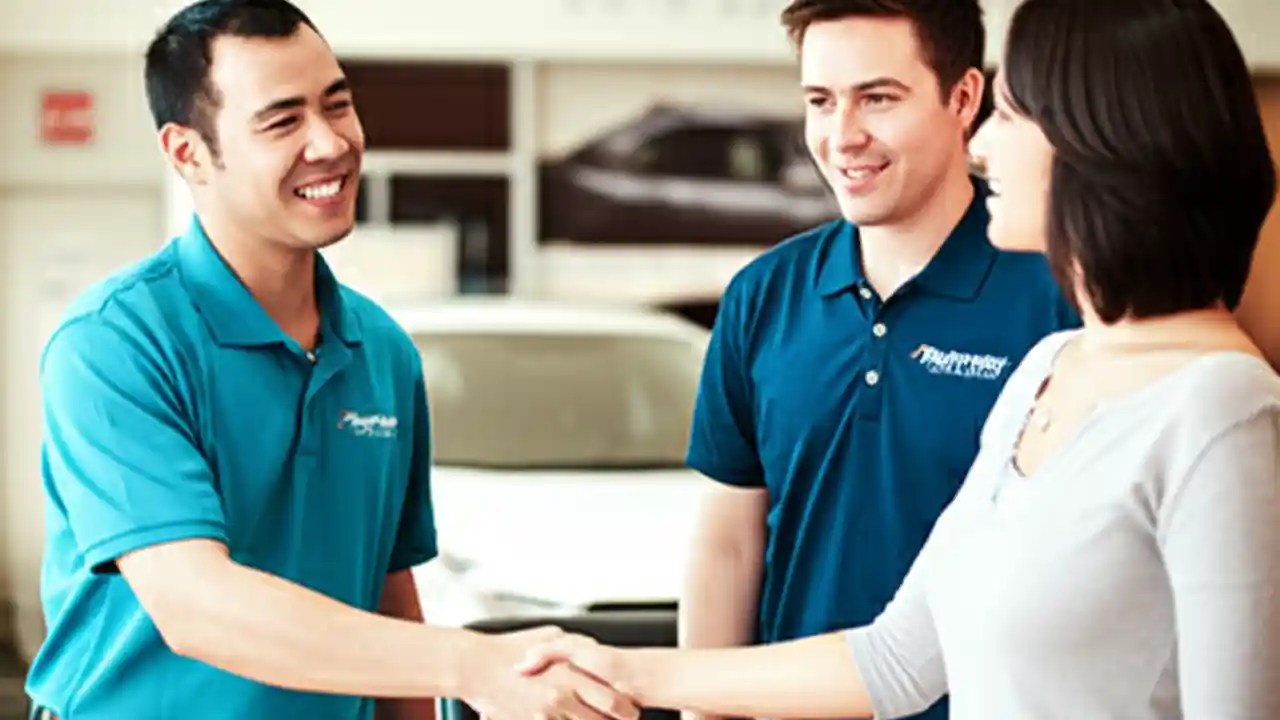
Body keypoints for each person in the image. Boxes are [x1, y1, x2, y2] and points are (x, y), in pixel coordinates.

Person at [517, 0, 1280, 717]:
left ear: (1103, 143)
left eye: (1008, 115)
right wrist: (619, 671)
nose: (983, 143)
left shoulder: (1223, 410)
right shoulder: (1051, 369)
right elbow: (897, 658)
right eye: (820, 99)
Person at [21, 2, 635, 720]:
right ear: (188, 152)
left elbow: (387, 589)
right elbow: (196, 605)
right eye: (283, 121)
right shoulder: (116, 342)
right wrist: (478, 663)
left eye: (337, 105)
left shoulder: (382, 351)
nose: (331, 143)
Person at [675, 2, 1076, 719]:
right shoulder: (762, 297)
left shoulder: (1059, 295)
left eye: (878, 99)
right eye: (820, 102)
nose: (842, 136)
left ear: (963, 99)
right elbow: (729, 544)